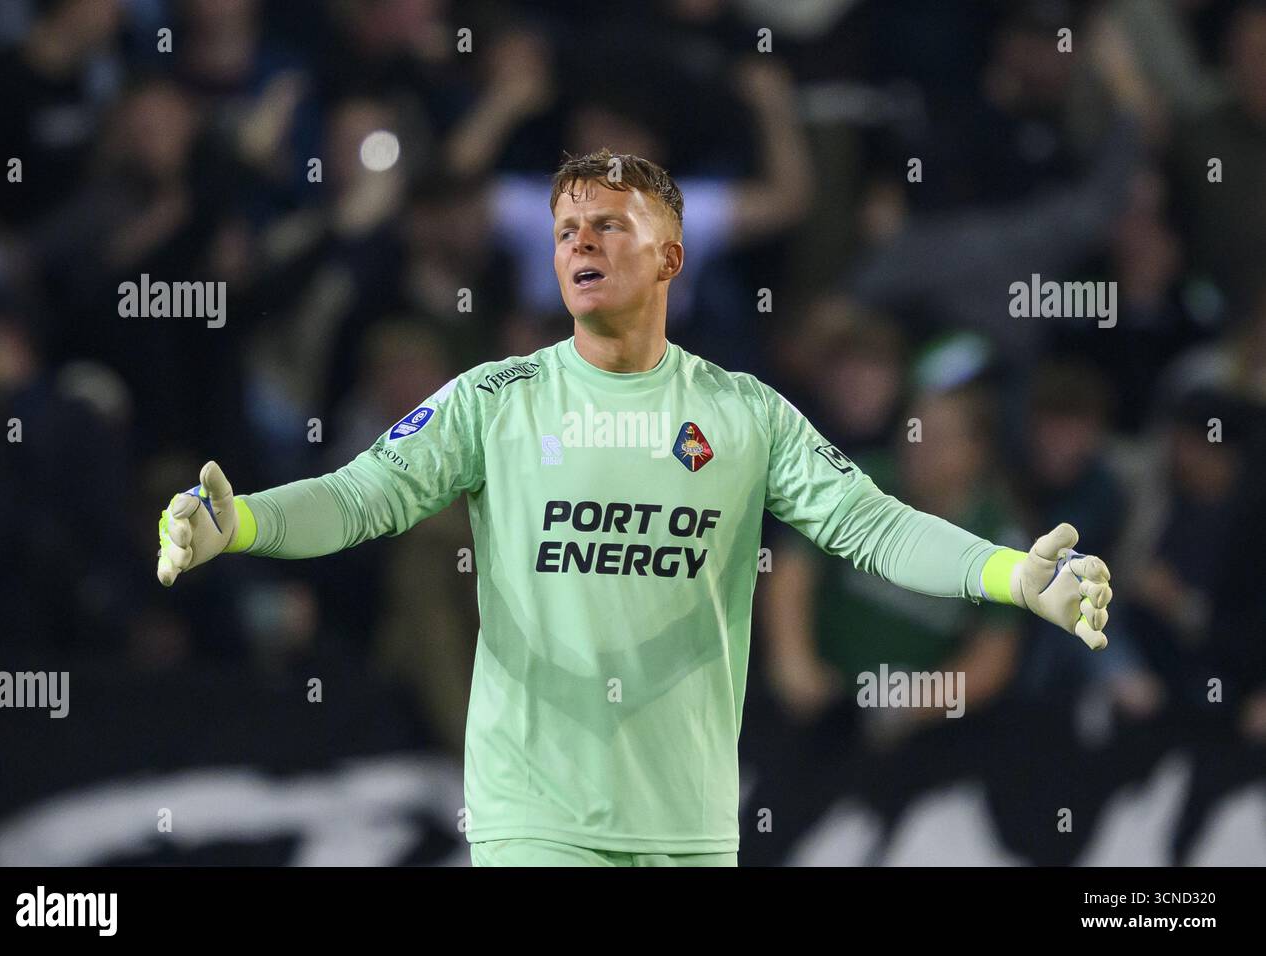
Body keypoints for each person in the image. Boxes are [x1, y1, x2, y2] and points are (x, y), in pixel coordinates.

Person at [154, 149, 1113, 867]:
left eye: (610, 225)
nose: (580, 243)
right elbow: (360, 498)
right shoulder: (495, 399)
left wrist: (1006, 574)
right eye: (568, 228)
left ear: (671, 258)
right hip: (536, 814)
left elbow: (872, 526)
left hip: (690, 822)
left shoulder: (743, 414)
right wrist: (243, 523)